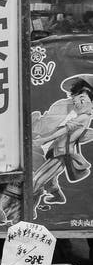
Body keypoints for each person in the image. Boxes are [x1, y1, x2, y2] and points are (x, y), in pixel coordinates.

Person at [31, 75, 93, 216]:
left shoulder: (83, 117)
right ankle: (57, 195)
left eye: (82, 99)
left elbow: (61, 132)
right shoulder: (78, 116)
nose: (77, 103)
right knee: (50, 179)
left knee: (37, 179)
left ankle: (29, 210)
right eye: (75, 100)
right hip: (56, 151)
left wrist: (43, 140)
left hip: (62, 155)